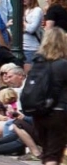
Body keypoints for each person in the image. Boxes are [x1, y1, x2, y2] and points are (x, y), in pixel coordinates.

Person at [30, 27, 67, 165]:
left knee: (47, 152)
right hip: (58, 111)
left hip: (38, 112)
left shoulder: (38, 63)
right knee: (53, 155)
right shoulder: (63, 65)